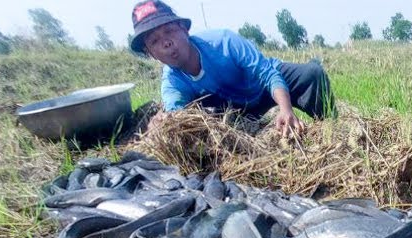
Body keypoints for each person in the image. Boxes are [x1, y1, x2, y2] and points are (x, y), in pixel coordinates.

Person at [129, 0, 335, 137]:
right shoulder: (172, 83)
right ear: (150, 53)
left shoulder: (223, 42)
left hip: (262, 87)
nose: (166, 43)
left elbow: (266, 72)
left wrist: (285, 109)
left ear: (184, 29)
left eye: (170, 31)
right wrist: (163, 125)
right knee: (195, 116)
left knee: (311, 74)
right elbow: (178, 117)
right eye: (155, 41)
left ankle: (332, 127)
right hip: (233, 111)